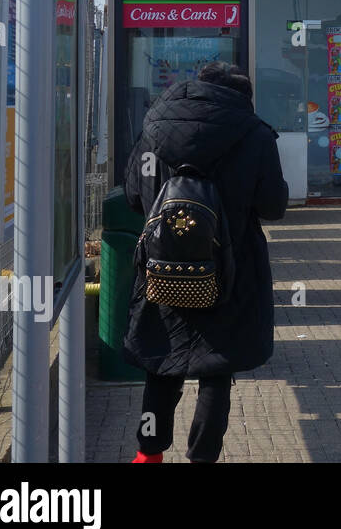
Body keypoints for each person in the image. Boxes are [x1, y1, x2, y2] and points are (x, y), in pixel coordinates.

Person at [122, 62, 288, 463]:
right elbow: (273, 206)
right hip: (231, 273)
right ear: (240, 96)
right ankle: (202, 458)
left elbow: (132, 195)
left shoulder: (153, 131)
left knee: (162, 364)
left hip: (162, 270)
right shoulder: (254, 134)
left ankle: (148, 455)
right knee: (217, 371)